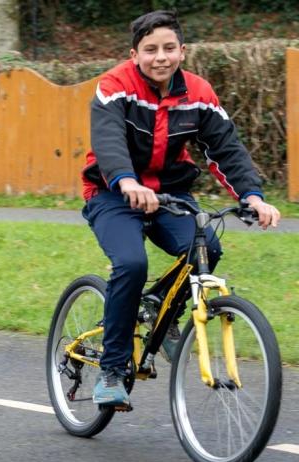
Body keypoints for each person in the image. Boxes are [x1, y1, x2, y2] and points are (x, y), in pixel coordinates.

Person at [80, 10, 281, 408]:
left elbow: (225, 149)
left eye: (169, 48)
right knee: (132, 264)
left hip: (170, 195)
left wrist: (253, 197)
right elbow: (107, 141)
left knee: (207, 246)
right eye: (151, 49)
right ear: (134, 53)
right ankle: (112, 370)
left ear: (183, 51)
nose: (161, 57)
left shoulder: (199, 93)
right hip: (113, 194)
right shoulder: (114, 86)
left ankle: (158, 309)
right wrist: (126, 180)